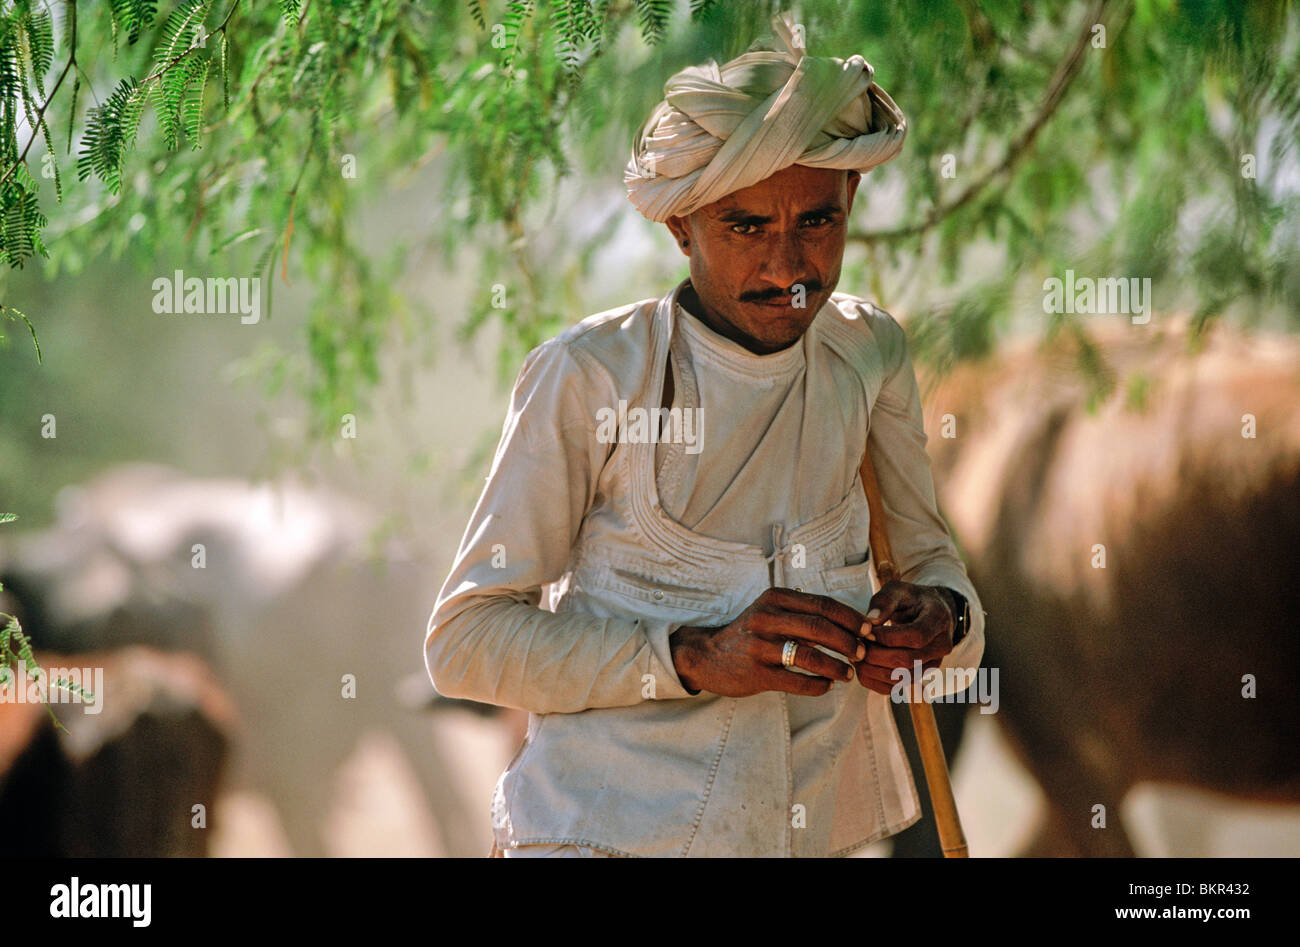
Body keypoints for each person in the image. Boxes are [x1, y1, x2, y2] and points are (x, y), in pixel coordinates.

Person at [425, 12, 985, 858]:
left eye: (817, 223)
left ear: (853, 202)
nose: (789, 270)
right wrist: (690, 655)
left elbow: (935, 573)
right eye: (746, 226)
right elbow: (465, 644)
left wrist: (938, 617)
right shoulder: (591, 375)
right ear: (679, 226)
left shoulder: (868, 356)